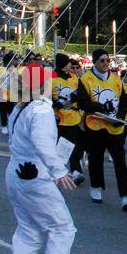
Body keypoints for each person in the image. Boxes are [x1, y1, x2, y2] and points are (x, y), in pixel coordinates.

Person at [6, 64, 78, 254]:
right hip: (34, 174)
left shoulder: (21, 106)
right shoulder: (40, 110)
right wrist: (59, 171)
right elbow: (42, 142)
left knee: (28, 231)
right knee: (62, 229)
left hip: (16, 172)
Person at [76, 48, 127, 212]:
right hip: (95, 125)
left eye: (107, 60)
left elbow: (124, 100)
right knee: (95, 158)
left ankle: (126, 196)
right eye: (102, 60)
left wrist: (121, 117)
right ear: (95, 61)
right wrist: (100, 107)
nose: (105, 63)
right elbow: (82, 102)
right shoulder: (86, 79)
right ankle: (96, 186)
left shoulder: (116, 79)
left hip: (114, 126)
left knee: (120, 161)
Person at [51, 55, 86, 184]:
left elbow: (80, 94)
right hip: (58, 119)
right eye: (67, 63)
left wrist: (74, 98)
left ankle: (76, 171)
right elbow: (47, 97)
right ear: (62, 64)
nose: (70, 66)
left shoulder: (74, 79)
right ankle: (57, 171)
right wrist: (56, 103)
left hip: (73, 118)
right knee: (58, 147)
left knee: (73, 146)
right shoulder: (52, 78)